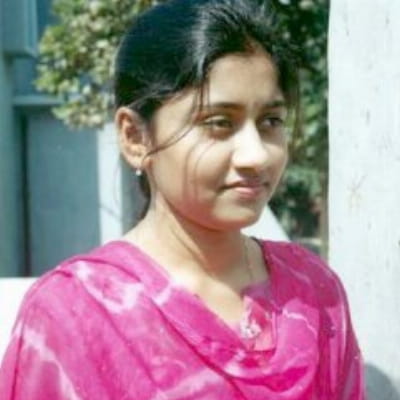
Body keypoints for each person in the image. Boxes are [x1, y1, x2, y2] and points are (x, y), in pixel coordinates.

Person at [0, 0, 365, 398]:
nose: (257, 155)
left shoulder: (314, 292)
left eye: (270, 121)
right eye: (219, 123)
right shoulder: (73, 315)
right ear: (135, 137)